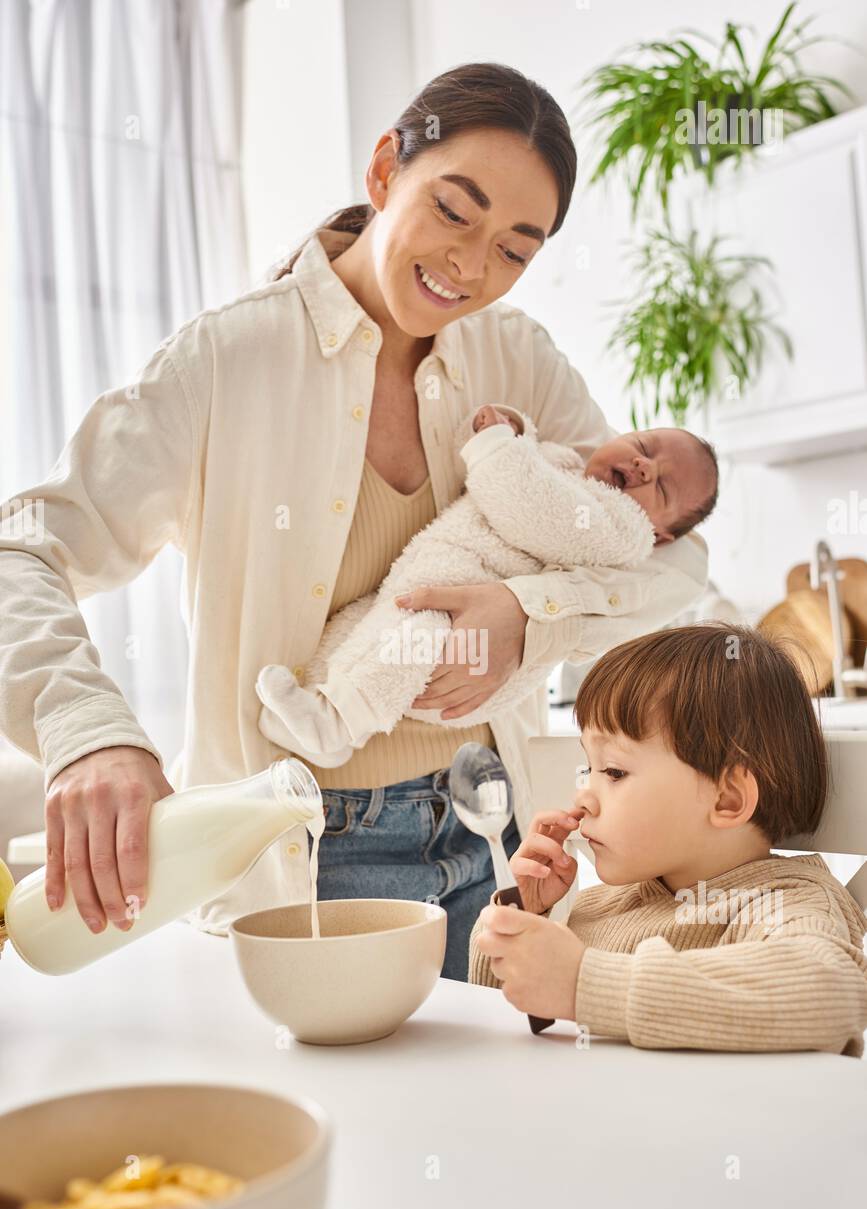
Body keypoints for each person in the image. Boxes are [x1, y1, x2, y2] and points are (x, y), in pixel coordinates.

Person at [0, 63, 707, 982]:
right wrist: (88, 730)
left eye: (514, 249)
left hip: (499, 837)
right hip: (305, 856)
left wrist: (527, 613)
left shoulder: (517, 359)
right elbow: (24, 549)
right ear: (384, 171)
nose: (469, 266)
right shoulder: (228, 359)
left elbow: (665, 557)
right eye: (453, 211)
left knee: (520, 1121)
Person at [469, 624, 867, 1056]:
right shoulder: (601, 905)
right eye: (588, 768)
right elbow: (498, 1021)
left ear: (728, 798)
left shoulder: (784, 906)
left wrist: (586, 983)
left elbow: (823, 992)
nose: (583, 796)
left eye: (615, 772)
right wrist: (522, 913)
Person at [255, 404, 718, 763]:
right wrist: (511, 427)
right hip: (434, 578)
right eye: (644, 445)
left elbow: (531, 509)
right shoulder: (566, 465)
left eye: (661, 489)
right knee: (360, 628)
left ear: (661, 535)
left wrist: (494, 445)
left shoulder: (620, 528)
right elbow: (522, 465)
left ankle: (335, 722)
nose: (644, 467)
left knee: (408, 641)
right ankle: (324, 716)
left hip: (463, 624)